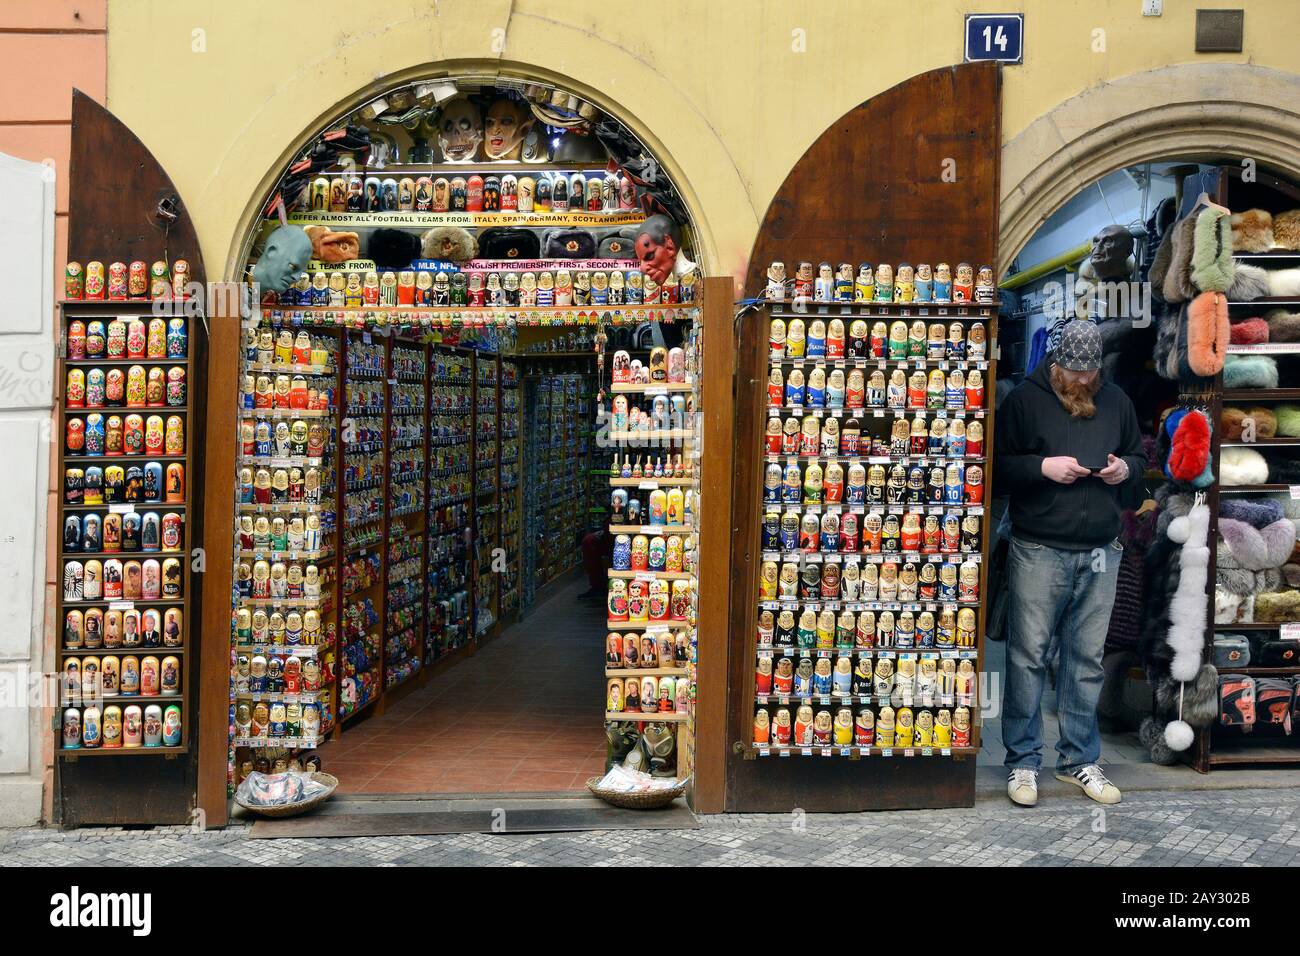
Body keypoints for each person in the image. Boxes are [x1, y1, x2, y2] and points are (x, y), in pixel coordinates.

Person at [994, 320, 1145, 808]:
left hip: (1102, 548)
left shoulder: (1117, 400)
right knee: (1028, 657)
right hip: (1038, 546)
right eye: (1074, 371)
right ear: (1054, 364)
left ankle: (1080, 758)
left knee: (1085, 660)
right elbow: (994, 467)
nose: (1083, 381)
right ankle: (1022, 762)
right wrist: (1042, 467)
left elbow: (1139, 461)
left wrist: (1125, 469)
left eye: (1091, 372)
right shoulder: (1022, 400)